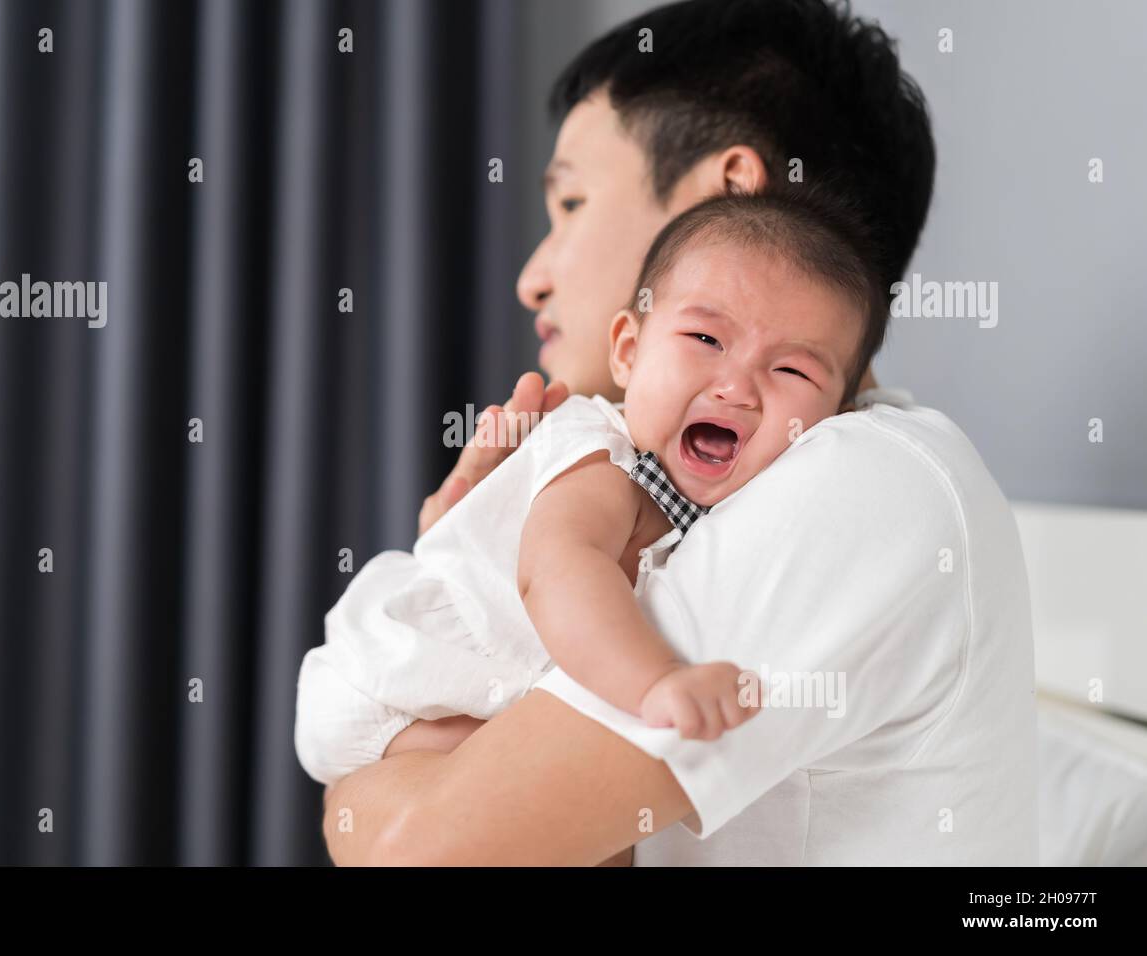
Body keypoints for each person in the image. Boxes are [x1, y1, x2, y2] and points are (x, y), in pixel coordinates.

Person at [322, 0, 1038, 865]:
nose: (530, 278)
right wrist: (473, 597)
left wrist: (386, 711)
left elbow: (411, 852)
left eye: (573, 201)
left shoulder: (861, 487)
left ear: (728, 189)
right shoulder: (714, 497)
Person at [296, 188, 888, 786]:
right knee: (516, 786)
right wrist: (656, 681)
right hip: (394, 681)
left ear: (836, 419)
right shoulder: (601, 454)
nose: (737, 388)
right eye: (706, 340)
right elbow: (559, 568)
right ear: (629, 352)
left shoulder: (771, 505)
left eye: (792, 370)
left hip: (468, 686)